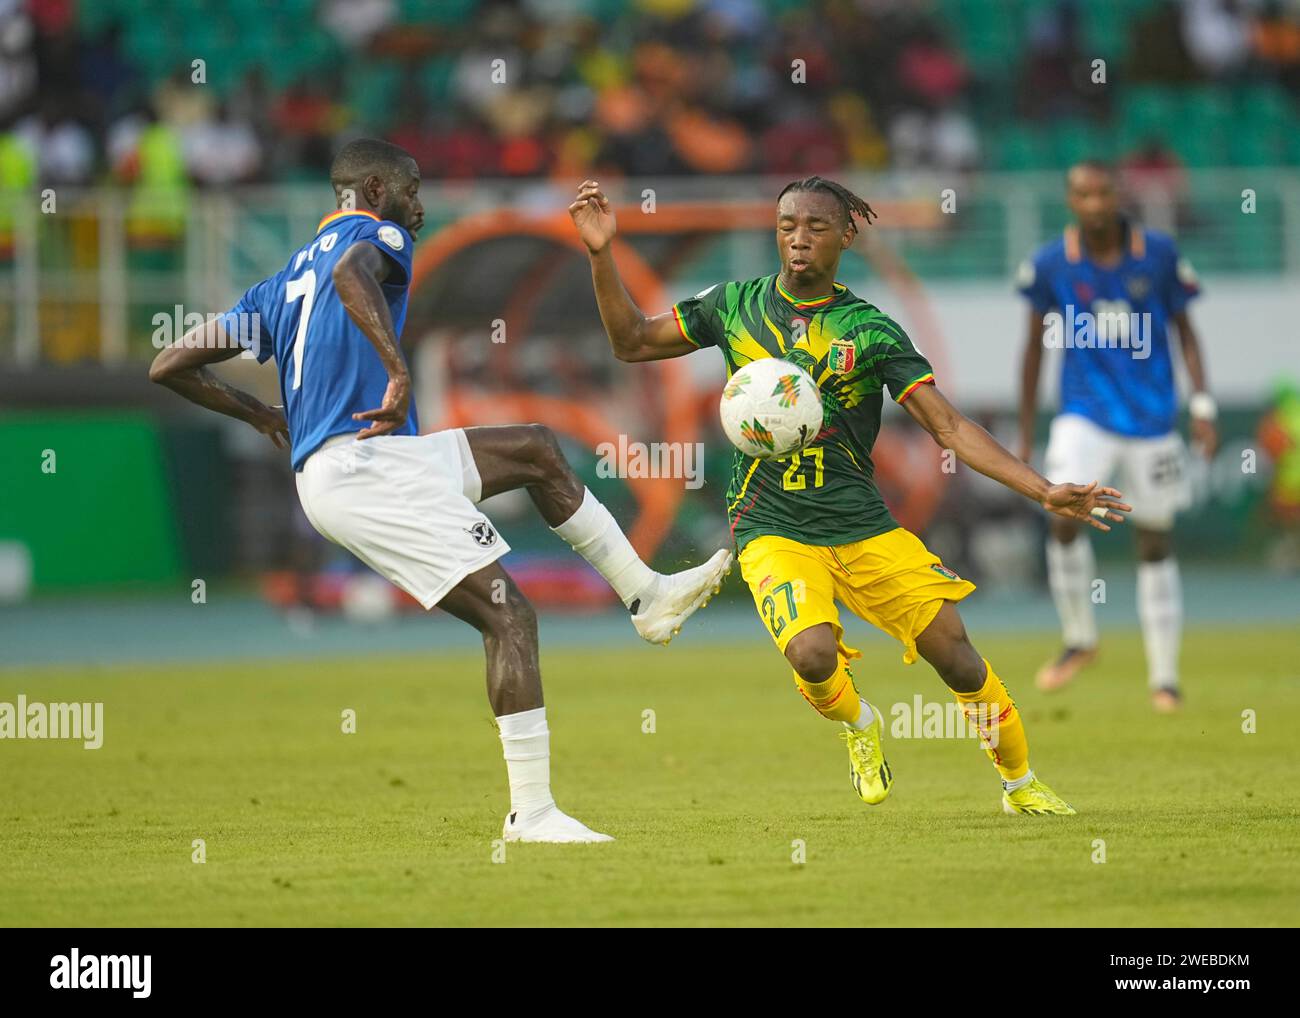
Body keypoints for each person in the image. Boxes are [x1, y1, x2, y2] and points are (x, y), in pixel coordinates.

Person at [149, 139, 732, 844]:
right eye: (412, 187)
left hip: (368, 463)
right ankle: (533, 814)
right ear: (371, 188)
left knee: (537, 451)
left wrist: (265, 415)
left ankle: (646, 595)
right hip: (365, 471)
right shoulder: (377, 234)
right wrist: (396, 373)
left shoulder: (275, 286)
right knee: (508, 614)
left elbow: (171, 363)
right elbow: (351, 277)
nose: (420, 204)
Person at [570, 174, 1130, 816]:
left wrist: (1044, 490)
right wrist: (600, 253)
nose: (798, 239)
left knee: (958, 655)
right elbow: (631, 341)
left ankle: (1020, 783)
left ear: (846, 235)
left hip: (861, 524)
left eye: (815, 227)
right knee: (812, 653)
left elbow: (948, 426)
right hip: (770, 525)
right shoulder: (733, 305)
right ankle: (861, 725)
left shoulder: (870, 330)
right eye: (787, 226)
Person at [1016, 160, 1216, 712]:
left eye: (1103, 192)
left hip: (1153, 420)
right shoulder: (1052, 263)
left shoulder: (1158, 254)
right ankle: (1080, 639)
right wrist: (1028, 430)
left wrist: (1202, 405)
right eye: (1083, 193)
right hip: (1083, 414)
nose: (1095, 203)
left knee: (1154, 540)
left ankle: (1165, 678)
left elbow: (1187, 331)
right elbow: (1032, 348)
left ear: (1117, 194)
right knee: (1061, 512)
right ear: (1070, 199)